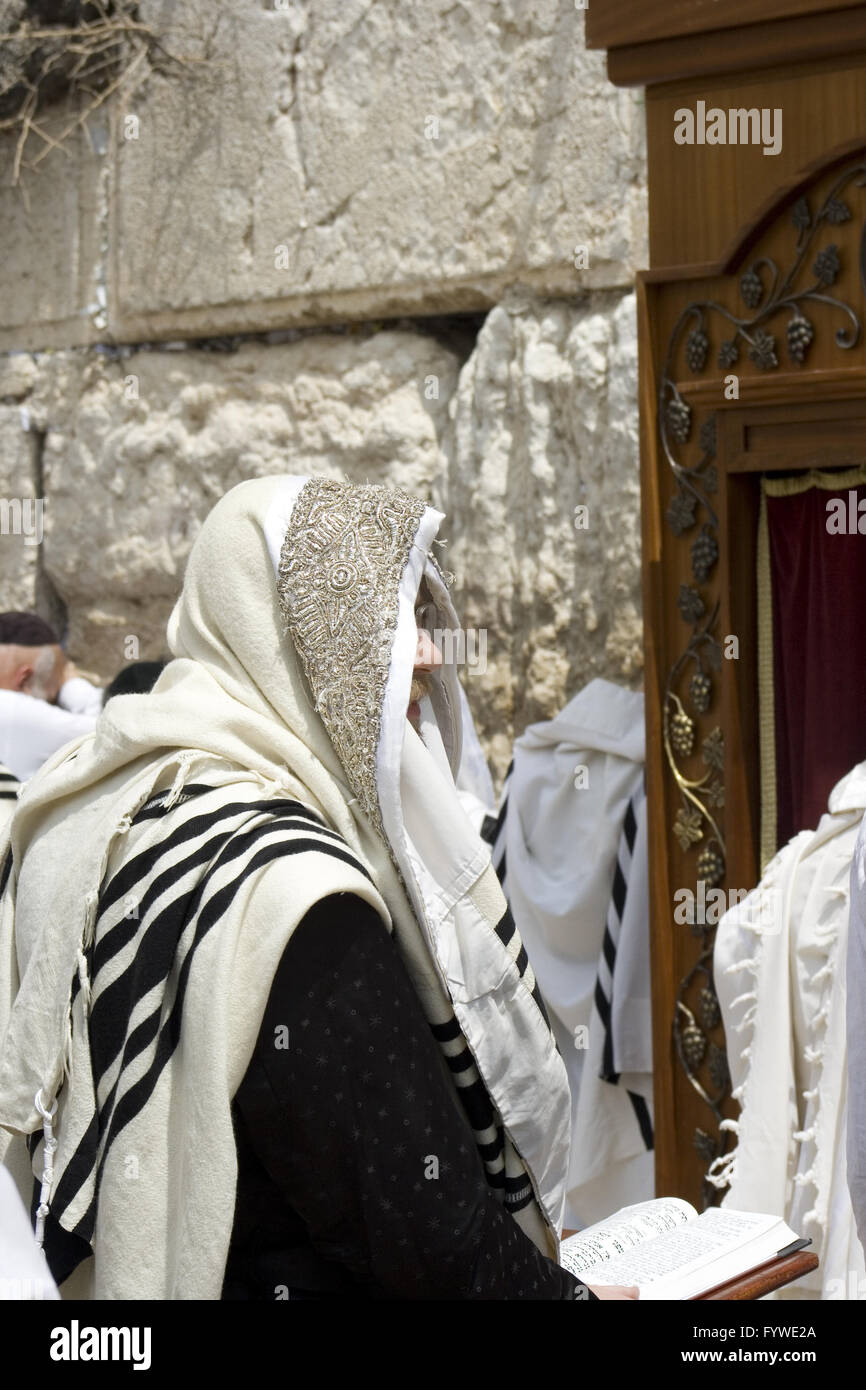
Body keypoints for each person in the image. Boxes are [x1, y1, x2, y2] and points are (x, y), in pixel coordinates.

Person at [0, 475, 637, 1301]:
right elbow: (421, 1234)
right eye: (392, 620)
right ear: (308, 640)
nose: (433, 655)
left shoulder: (100, 797)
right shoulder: (290, 890)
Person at [0, 612, 103, 781]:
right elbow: (111, 729)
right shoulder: (14, 710)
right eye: (52, 700)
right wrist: (69, 683)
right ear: (24, 678)